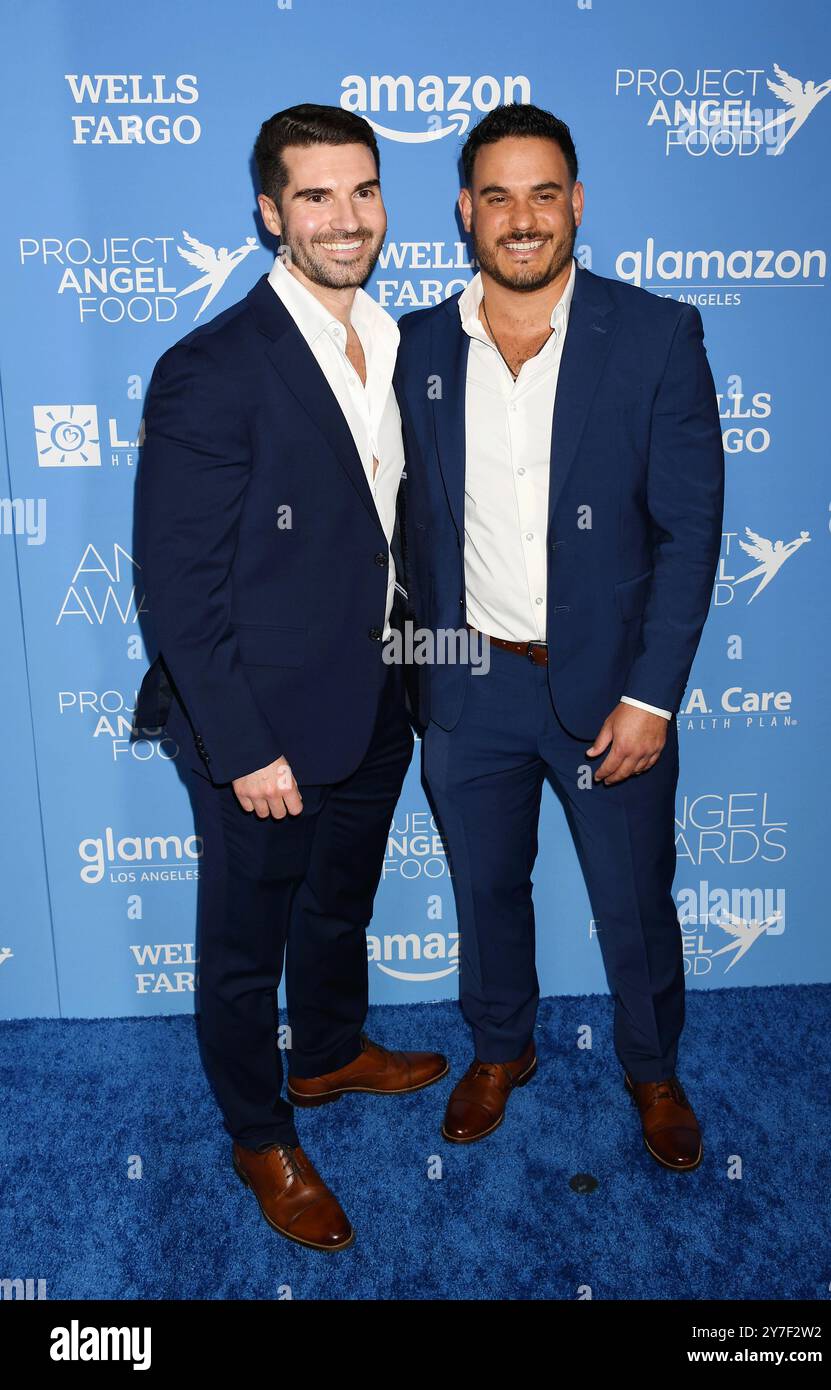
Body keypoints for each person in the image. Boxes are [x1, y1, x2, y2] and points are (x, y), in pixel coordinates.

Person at [135, 103, 447, 1252]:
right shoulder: (212, 367)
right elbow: (176, 583)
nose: (345, 217)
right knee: (240, 944)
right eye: (315, 195)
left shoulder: (399, 344)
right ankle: (258, 1132)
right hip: (256, 724)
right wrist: (242, 743)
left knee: (338, 905)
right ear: (269, 212)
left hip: (372, 703)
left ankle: (324, 1053)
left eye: (362, 191)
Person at [394, 103, 724, 1170]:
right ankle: (499, 1049)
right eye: (498, 195)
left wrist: (651, 695)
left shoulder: (654, 335)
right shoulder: (412, 347)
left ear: (576, 204)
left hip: (609, 691)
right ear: (465, 213)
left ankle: (651, 1067)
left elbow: (687, 531)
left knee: (632, 900)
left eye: (543, 193)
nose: (522, 218)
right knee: (482, 892)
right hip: (467, 684)